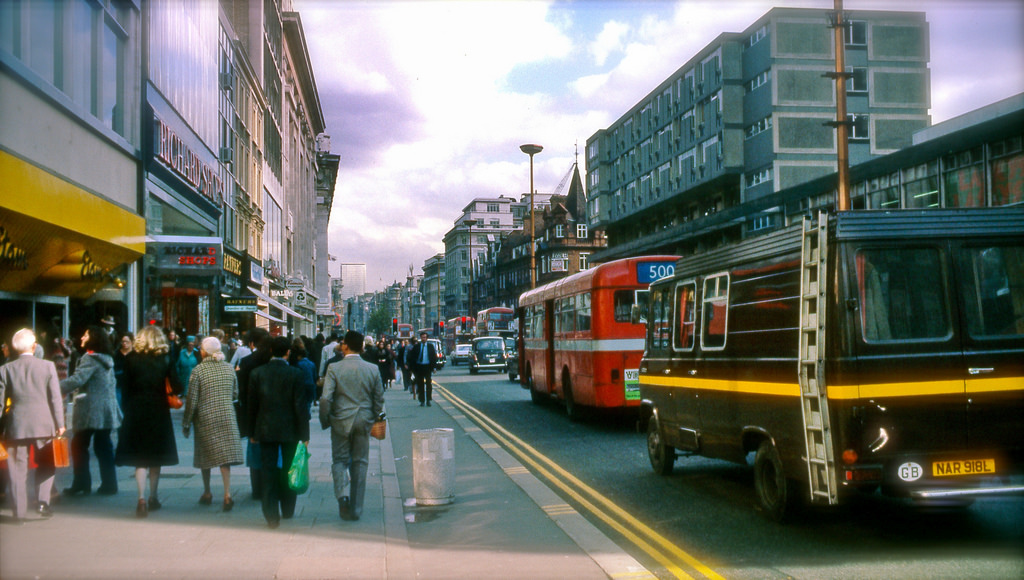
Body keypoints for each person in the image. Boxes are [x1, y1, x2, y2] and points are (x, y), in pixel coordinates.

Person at [0, 329, 66, 522]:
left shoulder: (5, 369)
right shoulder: (47, 367)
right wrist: (60, 423)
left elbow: (1, 402)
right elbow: (55, 398)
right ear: (34, 346)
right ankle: (42, 502)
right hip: (44, 423)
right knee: (47, 462)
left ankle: (18, 511)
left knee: (17, 469)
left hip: (16, 425)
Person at [115, 325, 180, 518]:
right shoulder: (165, 358)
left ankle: (141, 498)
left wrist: (127, 410)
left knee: (140, 457)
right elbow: (177, 384)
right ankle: (153, 496)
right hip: (158, 409)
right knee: (155, 456)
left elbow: (125, 388)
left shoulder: (131, 359)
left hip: (136, 408)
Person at [320, 330, 385, 521]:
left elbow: (325, 399)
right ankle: (356, 509)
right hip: (364, 421)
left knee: (340, 461)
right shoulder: (372, 369)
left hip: (340, 421)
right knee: (360, 463)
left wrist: (326, 420)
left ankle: (343, 497)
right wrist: (375, 418)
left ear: (346, 346)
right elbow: (379, 399)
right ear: (363, 347)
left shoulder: (334, 369)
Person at [247, 336, 309, 529]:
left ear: (270, 352)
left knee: (268, 471)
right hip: (290, 430)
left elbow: (251, 406)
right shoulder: (295, 374)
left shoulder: (257, 373)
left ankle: (271, 515)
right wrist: (305, 435)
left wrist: (251, 432)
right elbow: (300, 407)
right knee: (290, 468)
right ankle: (288, 509)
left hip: (265, 429)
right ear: (288, 352)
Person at [183, 337, 243, 511]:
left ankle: (207, 492)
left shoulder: (198, 371)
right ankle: (227, 494)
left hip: (205, 417)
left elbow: (192, 399)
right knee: (225, 458)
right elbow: (235, 393)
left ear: (203, 352)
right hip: (226, 415)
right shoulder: (229, 368)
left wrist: (186, 423)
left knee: (205, 457)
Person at [60, 326, 121, 496]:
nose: (81, 338)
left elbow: (78, 379)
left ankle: (81, 483)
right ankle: (110, 484)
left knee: (78, 445)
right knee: (103, 446)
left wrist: (54, 387)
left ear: (93, 338)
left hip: (90, 409)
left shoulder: (90, 358)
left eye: (85, 335)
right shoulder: (107, 358)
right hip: (105, 408)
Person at [236, 328, 271, 499]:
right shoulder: (271, 359)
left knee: (255, 451)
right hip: (272, 411)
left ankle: (257, 488)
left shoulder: (246, 362)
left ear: (252, 343)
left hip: (253, 411)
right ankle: (270, 486)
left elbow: (242, 391)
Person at [409, 331, 439, 407]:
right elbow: (412, 358)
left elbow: (433, 357)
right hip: (419, 367)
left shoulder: (430, 346)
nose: (423, 339)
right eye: (422, 337)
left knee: (429, 384)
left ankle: (428, 400)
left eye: (425, 337)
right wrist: (412, 368)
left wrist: (434, 367)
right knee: (420, 384)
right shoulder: (417, 347)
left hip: (427, 367)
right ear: (420, 338)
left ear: (427, 338)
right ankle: (422, 400)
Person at [288, 338, 317, 415]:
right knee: (308, 402)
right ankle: (307, 414)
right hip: (310, 385)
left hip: (301, 384)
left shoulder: (295, 359)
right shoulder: (310, 363)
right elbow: (314, 376)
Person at [113, 332, 134, 410]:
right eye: (123, 341)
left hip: (131, 384)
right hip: (118, 383)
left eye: (127, 341)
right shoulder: (116, 354)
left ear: (131, 342)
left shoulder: (134, 354)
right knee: (119, 405)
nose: (124, 343)